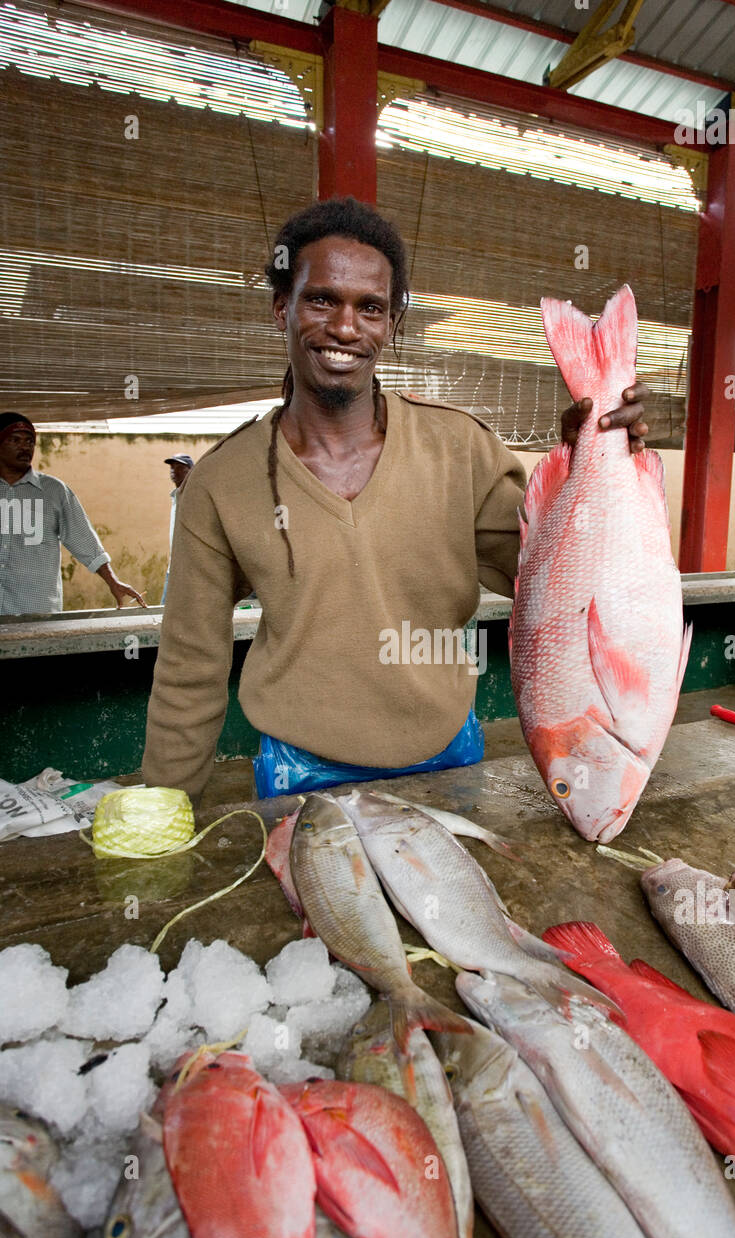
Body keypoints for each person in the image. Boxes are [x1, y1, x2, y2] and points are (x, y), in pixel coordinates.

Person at [141, 199, 648, 801]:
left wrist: (602, 465)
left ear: (392, 324)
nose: (346, 328)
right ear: (283, 307)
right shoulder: (221, 483)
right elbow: (187, 669)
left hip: (451, 762)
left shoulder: (460, 449)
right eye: (321, 299)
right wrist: (164, 814)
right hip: (299, 774)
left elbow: (555, 583)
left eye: (371, 308)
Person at [0, 412, 146, 616]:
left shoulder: (54, 491)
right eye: (15, 440)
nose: (25, 447)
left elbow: (84, 540)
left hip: (35, 611)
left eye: (30, 441)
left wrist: (112, 581)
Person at [160, 453, 195, 605]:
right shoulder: (176, 497)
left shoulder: (195, 497)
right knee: (164, 613)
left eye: (181, 467)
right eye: (172, 468)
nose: (175, 471)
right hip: (174, 569)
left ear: (191, 471)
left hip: (191, 571)